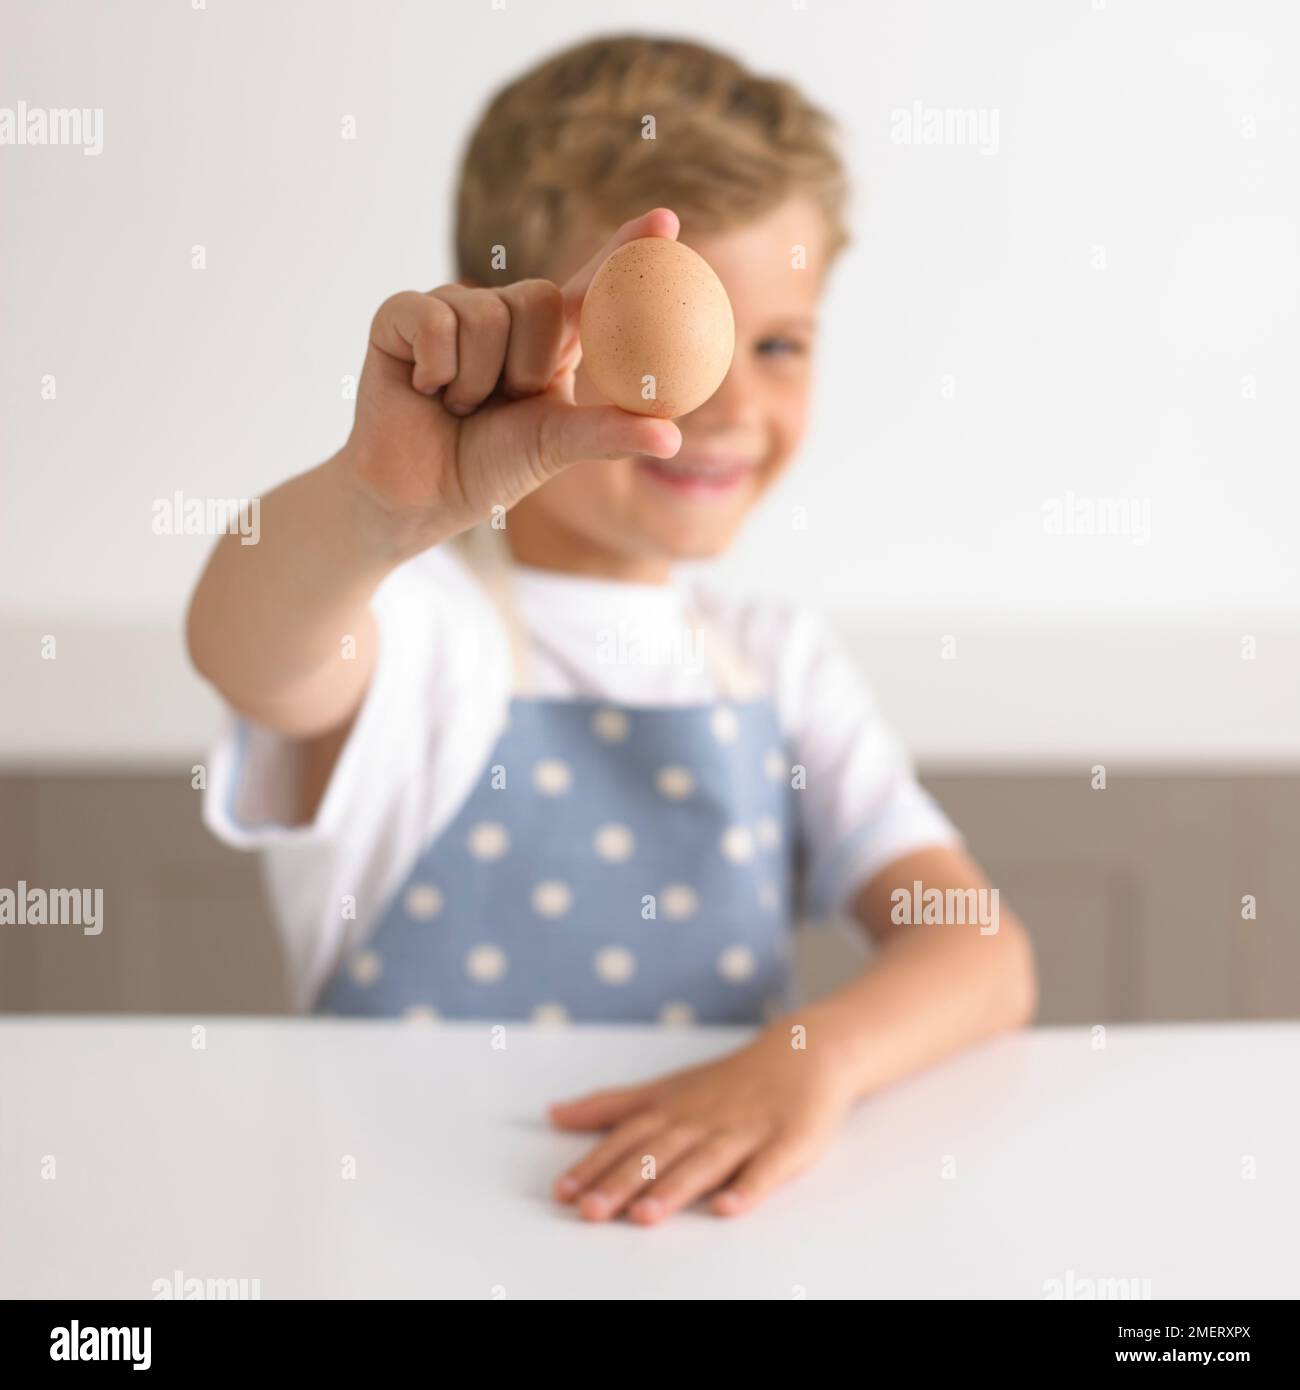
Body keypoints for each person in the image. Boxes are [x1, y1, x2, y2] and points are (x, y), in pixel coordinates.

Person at [187, 35, 1036, 1226]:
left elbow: (981, 953)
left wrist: (816, 1056)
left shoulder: (775, 662)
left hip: (681, 1242)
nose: (733, 400)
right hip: (393, 1233)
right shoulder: (419, 622)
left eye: (779, 343)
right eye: (677, 341)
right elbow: (251, 646)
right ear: (525, 338)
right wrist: (374, 513)